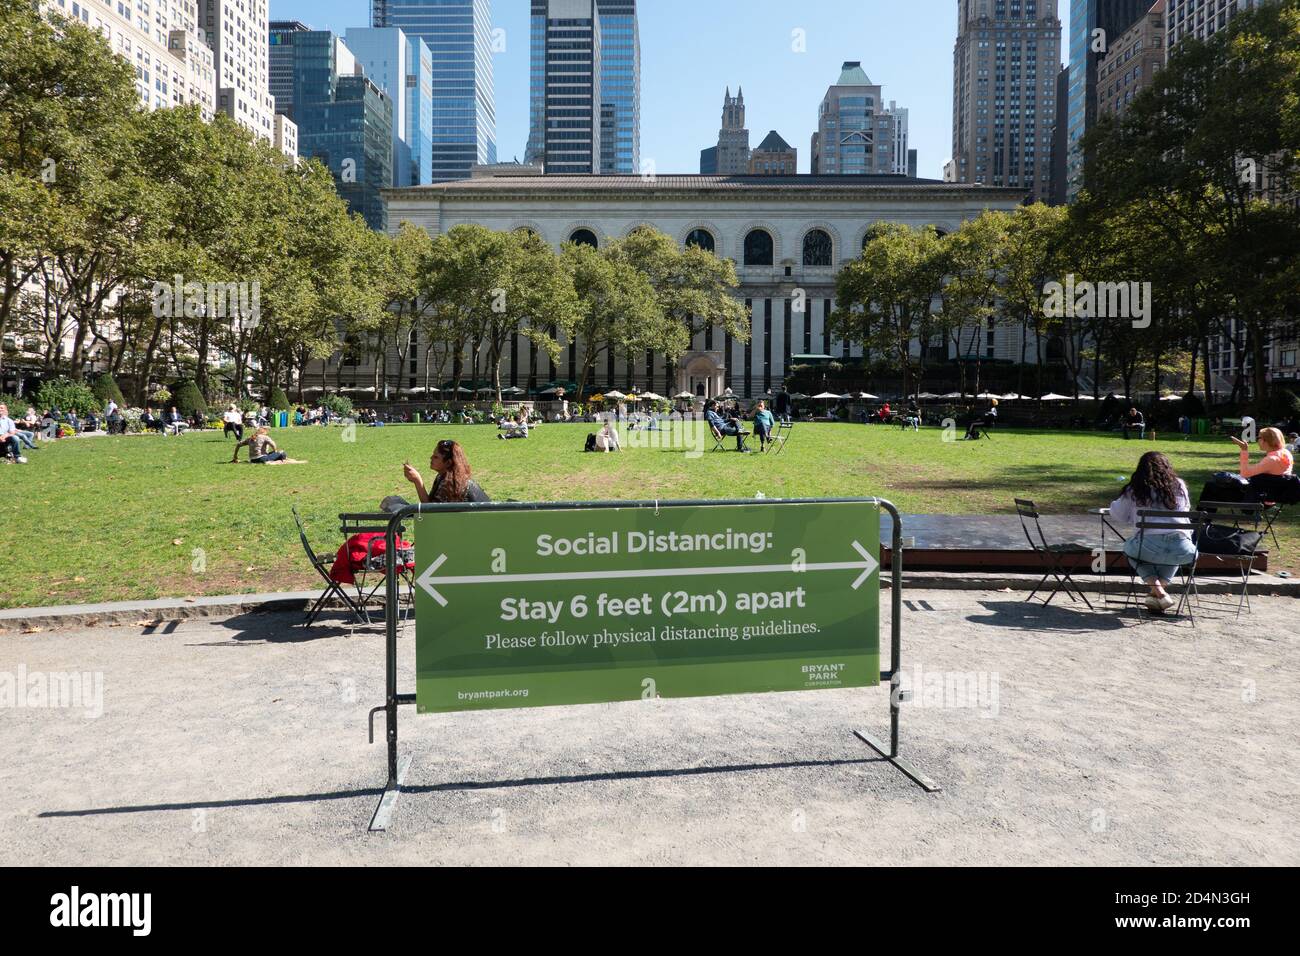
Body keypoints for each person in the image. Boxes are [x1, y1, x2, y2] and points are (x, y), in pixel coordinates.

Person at [1108, 452, 1197, 614]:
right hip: (1184, 549)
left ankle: (1157, 590)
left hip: (1148, 545)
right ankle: (1155, 595)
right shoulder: (1179, 485)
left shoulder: (1136, 488)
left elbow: (1118, 514)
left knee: (1130, 549)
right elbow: (1186, 509)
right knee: (1172, 554)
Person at [403, 439, 490, 503]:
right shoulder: (444, 476)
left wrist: (418, 481)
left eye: (436, 457)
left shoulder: (450, 483)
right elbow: (431, 506)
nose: (431, 458)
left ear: (448, 463)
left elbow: (431, 514)